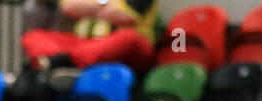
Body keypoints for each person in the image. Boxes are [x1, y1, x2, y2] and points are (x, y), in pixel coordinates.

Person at [20, 0, 159, 72]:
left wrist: (90, 6)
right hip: (85, 44)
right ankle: (63, 61)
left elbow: (125, 16)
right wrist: (105, 5)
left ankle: (62, 63)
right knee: (34, 36)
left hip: (124, 44)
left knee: (127, 38)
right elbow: (68, 7)